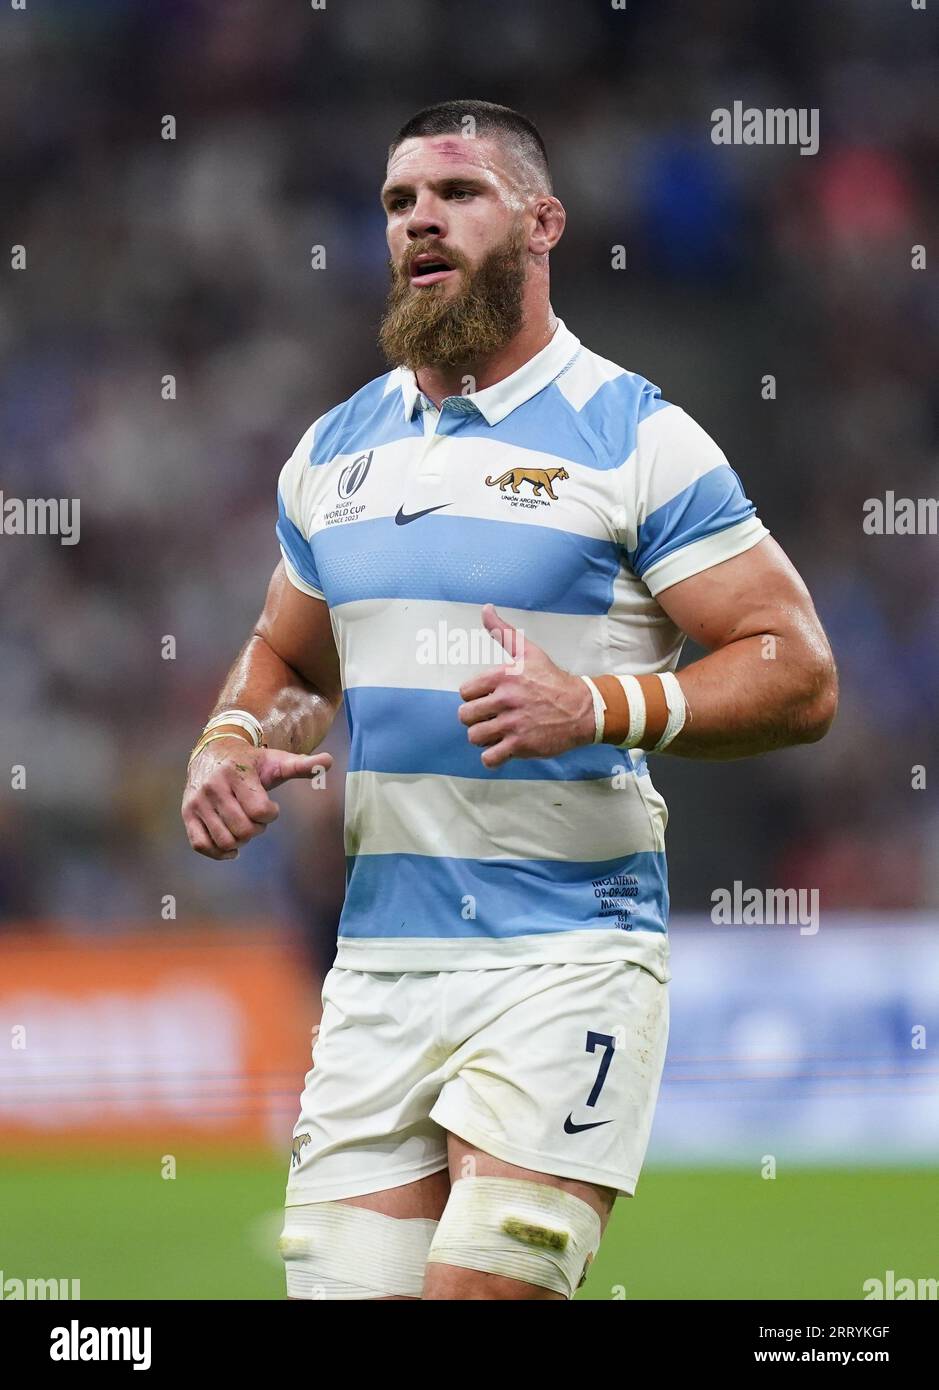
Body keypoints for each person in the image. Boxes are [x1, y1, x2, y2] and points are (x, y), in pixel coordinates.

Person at [181, 100, 838, 1301]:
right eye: (398, 203)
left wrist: (598, 703)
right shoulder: (332, 452)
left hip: (568, 951)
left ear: (542, 223)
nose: (421, 219)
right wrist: (228, 737)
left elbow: (797, 667)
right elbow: (284, 657)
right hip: (379, 967)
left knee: (487, 1288)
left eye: (457, 193)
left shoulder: (639, 437)